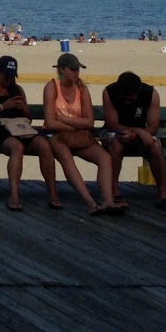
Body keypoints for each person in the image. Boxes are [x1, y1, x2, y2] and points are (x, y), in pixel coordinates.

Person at [42, 51, 122, 215]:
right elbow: (50, 123)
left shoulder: (82, 88)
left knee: (105, 158)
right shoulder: (51, 87)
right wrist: (76, 125)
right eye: (73, 69)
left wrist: (63, 118)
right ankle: (90, 202)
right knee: (67, 159)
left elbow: (89, 122)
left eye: (78, 69)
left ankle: (108, 200)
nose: (76, 73)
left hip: (79, 136)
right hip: (57, 136)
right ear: (62, 69)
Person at [0, 55, 58, 211]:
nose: (8, 80)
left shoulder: (17, 89)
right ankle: (14, 195)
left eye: (12, 76)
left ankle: (53, 194)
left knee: (44, 145)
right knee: (17, 147)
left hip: (19, 129)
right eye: (6, 76)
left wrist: (23, 108)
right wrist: (3, 107)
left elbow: (29, 118)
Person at [102, 71, 166, 212]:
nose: (127, 101)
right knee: (115, 144)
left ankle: (163, 195)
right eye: (124, 97)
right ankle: (115, 191)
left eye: (130, 98)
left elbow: (153, 126)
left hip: (142, 133)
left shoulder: (151, 94)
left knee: (155, 146)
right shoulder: (109, 92)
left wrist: (138, 134)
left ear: (137, 92)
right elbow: (111, 124)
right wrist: (137, 131)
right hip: (117, 132)